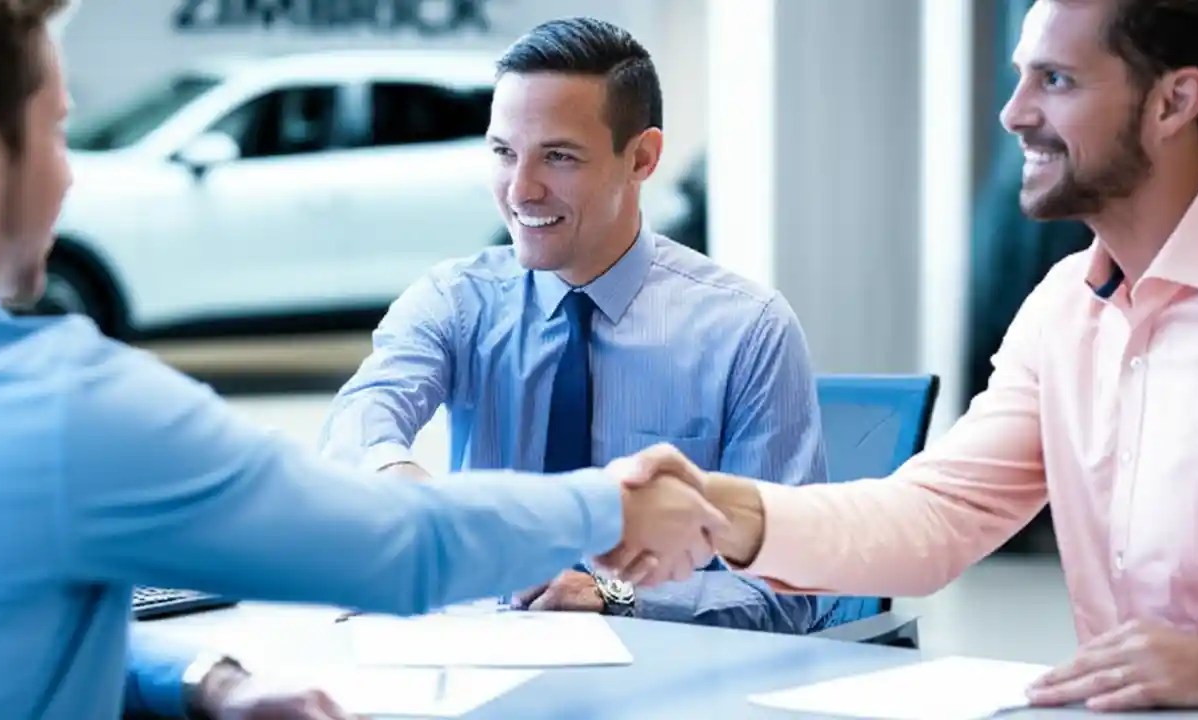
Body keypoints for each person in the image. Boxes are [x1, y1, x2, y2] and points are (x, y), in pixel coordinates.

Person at [0, 3, 727, 718]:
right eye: (57, 132)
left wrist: (205, 680)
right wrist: (613, 508)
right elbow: (400, 547)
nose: (70, 173)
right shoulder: (62, 404)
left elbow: (9, 618)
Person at [610, 0, 1198, 712]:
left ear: (1174, 102)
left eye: (1056, 80)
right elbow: (937, 514)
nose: (1013, 113)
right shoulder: (1065, 308)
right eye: (1021, 77)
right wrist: (724, 510)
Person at [319, 17, 825, 634]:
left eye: (558, 157)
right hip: (484, 664)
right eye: (504, 153)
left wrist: (614, 596)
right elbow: (358, 421)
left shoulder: (747, 330)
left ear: (641, 158)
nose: (521, 190)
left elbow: (785, 595)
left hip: (665, 672)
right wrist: (410, 493)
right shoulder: (456, 300)